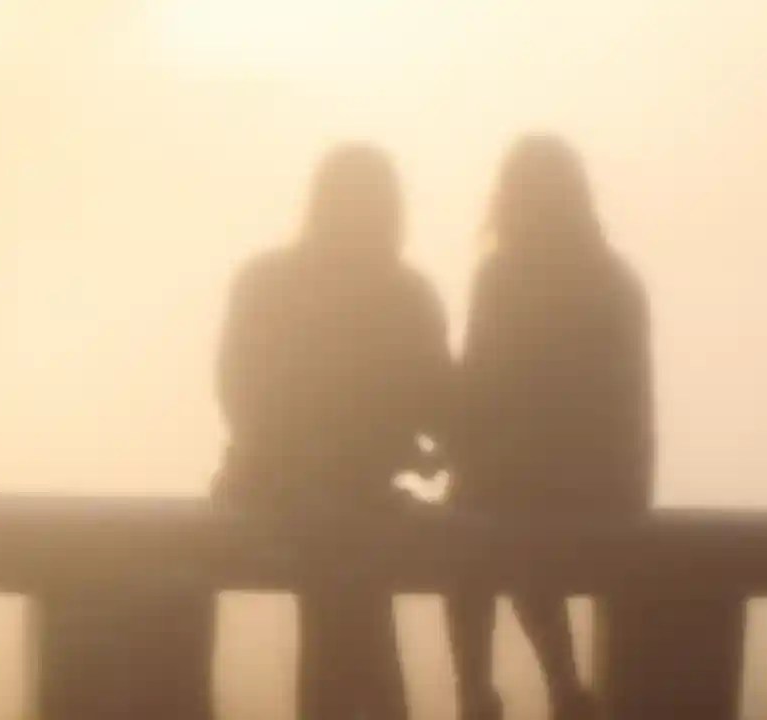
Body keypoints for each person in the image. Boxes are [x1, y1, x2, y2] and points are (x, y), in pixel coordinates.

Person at [213, 143, 451, 719]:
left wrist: (290, 459)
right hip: (359, 500)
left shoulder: (265, 281)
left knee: (338, 616)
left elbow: (235, 390)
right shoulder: (406, 294)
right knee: (356, 612)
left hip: (271, 492)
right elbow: (440, 405)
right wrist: (419, 452)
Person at [446, 135, 654, 720]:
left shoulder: (503, 278)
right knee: (500, 519)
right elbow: (627, 410)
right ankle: (563, 689)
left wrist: (444, 434)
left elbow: (482, 391)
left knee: (471, 524)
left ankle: (476, 693)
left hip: (530, 486)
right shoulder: (614, 279)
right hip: (612, 488)